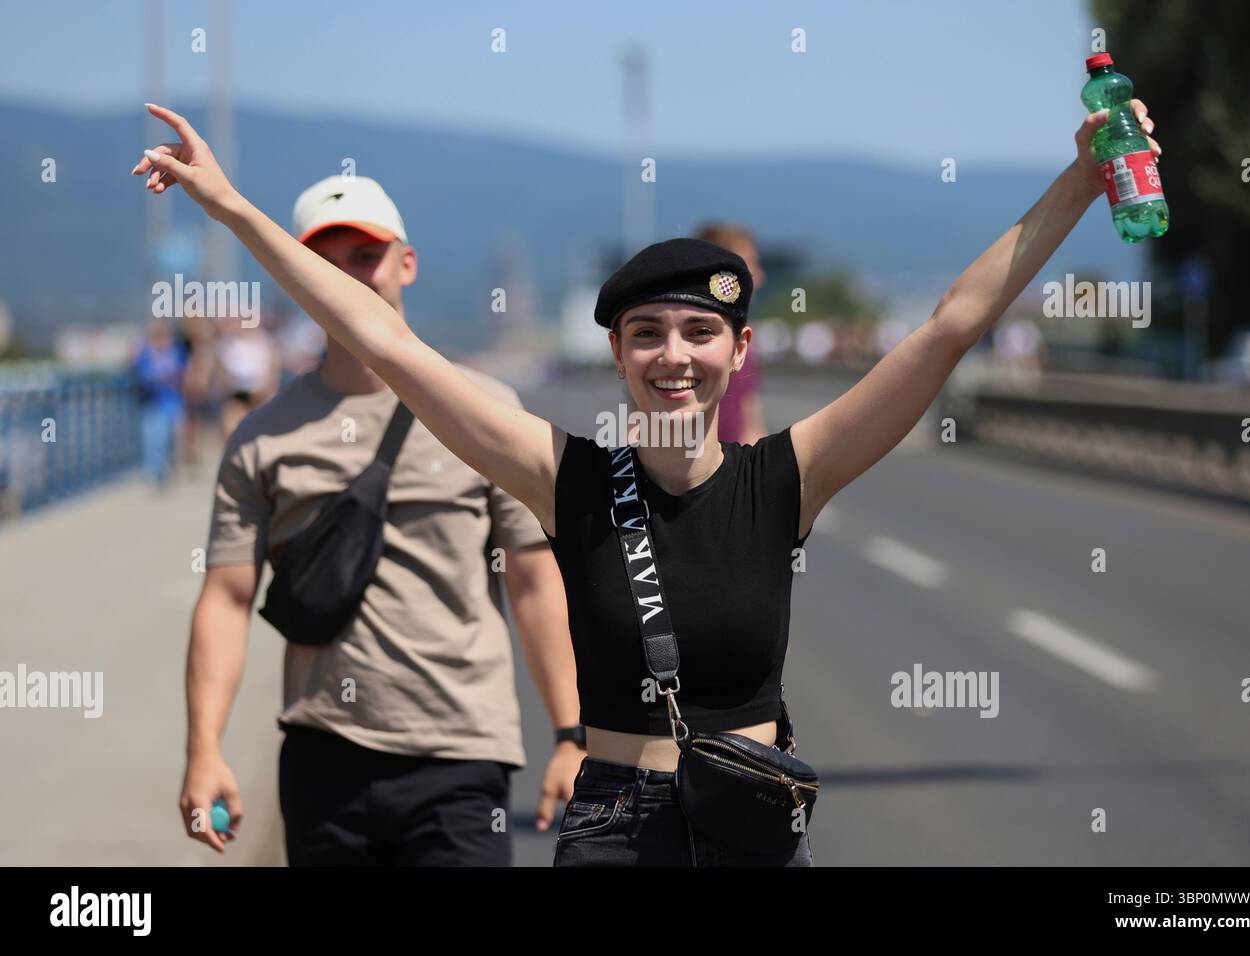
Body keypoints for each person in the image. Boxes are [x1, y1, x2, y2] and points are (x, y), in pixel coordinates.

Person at [133, 97, 1162, 866]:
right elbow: (383, 340)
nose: (675, 354)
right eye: (647, 333)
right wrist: (229, 207)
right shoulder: (562, 476)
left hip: (754, 820)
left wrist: (1080, 175)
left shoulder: (786, 478)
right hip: (614, 822)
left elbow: (950, 323)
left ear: (738, 348)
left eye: (699, 332)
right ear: (620, 355)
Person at [171, 171, 583, 866]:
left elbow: (536, 584)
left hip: (461, 755)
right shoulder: (264, 436)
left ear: (407, 263)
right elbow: (226, 596)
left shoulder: (484, 414)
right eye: (322, 263)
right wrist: (203, 749)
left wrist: (572, 735)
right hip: (323, 754)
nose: (346, 278)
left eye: (364, 256)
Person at [694, 222, 768, 445]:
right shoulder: (694, 344)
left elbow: (751, 426)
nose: (759, 277)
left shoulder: (740, 337)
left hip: (732, 469)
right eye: (749, 265)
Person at [132, 317, 188, 487]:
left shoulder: (176, 352)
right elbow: (136, 371)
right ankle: (154, 472)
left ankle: (166, 469)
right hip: (151, 402)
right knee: (151, 438)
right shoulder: (145, 353)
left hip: (172, 401)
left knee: (168, 438)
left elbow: (184, 373)